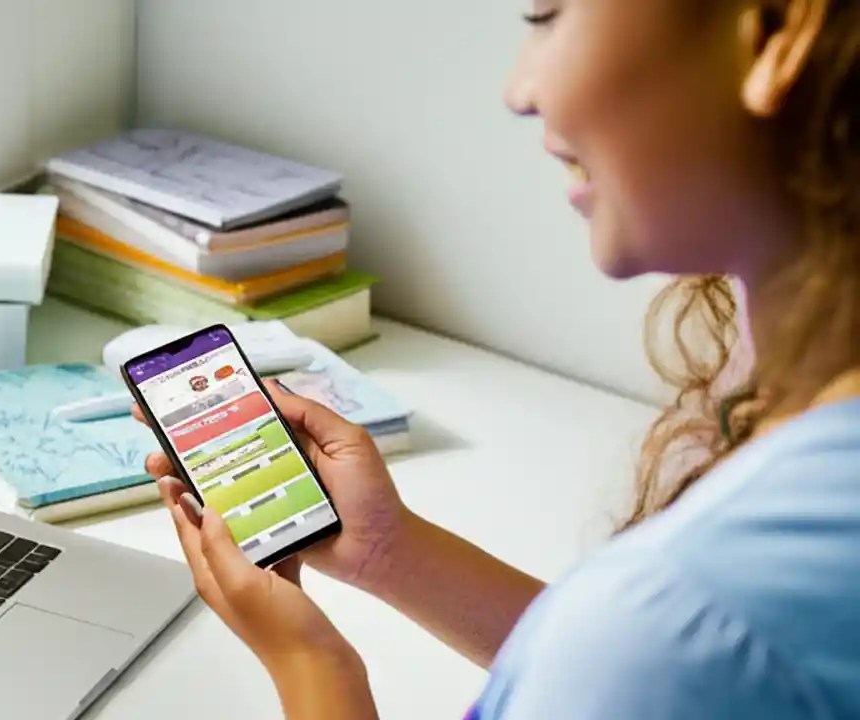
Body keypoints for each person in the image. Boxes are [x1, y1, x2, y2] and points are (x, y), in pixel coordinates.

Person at [132, 0, 860, 717]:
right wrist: (390, 552)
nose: (519, 90)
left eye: (548, 15)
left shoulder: (688, 617)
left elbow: (653, 659)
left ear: (777, 29)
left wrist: (311, 664)